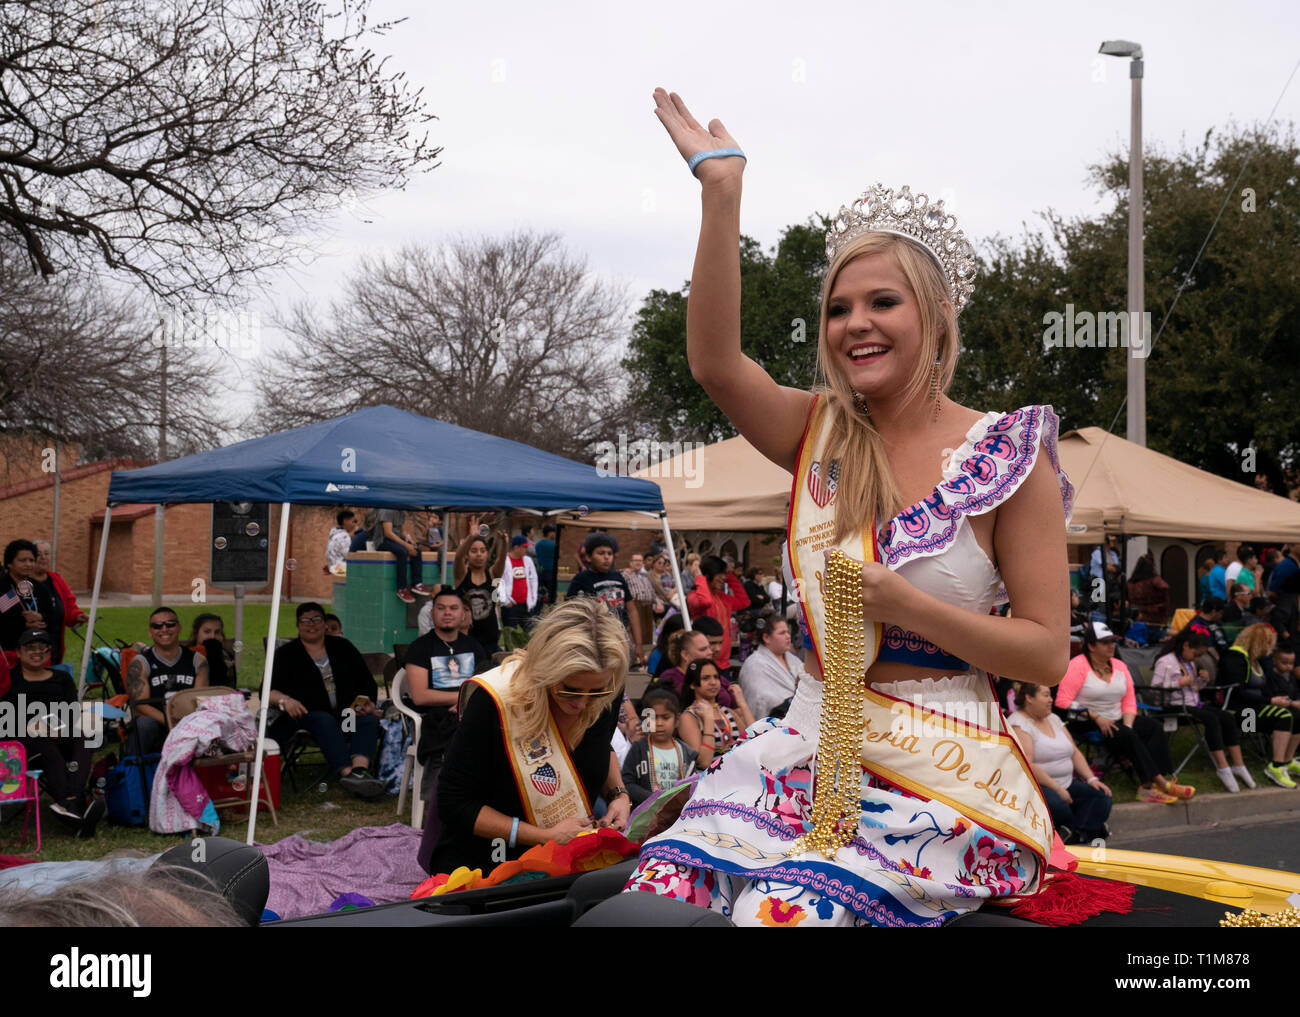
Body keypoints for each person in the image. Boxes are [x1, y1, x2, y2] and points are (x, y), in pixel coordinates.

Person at [628, 93, 1074, 926]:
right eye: (838, 308)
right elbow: (717, 363)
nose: (855, 325)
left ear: (936, 318)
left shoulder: (1009, 453)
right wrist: (720, 194)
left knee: (783, 914)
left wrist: (910, 606)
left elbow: (1047, 654)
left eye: (881, 303)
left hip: (938, 763)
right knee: (663, 897)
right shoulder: (817, 431)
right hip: (805, 740)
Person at [430, 598, 631, 874]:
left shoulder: (605, 688)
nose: (583, 704)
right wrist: (543, 837)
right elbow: (454, 803)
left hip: (569, 860)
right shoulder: (496, 702)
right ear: (545, 671)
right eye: (570, 689)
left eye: (595, 692)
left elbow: (599, 745)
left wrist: (618, 794)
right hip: (487, 863)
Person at [1055, 622, 1191, 804]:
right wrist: (1095, 716)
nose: (1112, 646)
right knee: (1127, 734)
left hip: (1117, 718)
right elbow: (1062, 702)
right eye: (1105, 642)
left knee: (1153, 727)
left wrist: (1128, 724)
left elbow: (1129, 700)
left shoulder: (1119, 665)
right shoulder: (1077, 665)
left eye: (1112, 641)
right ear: (1091, 646)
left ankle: (1161, 778)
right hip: (1086, 720)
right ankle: (1154, 785)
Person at [267, 602, 383, 799]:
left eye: (316, 619)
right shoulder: (286, 654)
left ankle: (359, 772)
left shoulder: (342, 647)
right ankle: (346, 773)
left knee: (367, 720)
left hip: (345, 715)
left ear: (324, 623)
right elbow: (267, 691)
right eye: (305, 620)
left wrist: (363, 703)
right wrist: (286, 701)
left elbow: (367, 684)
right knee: (323, 719)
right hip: (305, 717)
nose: (311, 624)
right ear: (298, 625)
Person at [1, 629, 105, 836]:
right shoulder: (9, 680)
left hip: (58, 734)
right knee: (41, 740)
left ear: (49, 653)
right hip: (21, 745)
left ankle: (71, 803)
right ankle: (71, 803)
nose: (37, 652)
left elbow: (72, 711)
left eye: (43, 648)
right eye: (30, 648)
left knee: (84, 738)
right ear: (19, 653)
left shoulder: (62, 678)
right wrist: (33, 727)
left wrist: (58, 729)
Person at [403, 588, 490, 796]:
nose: (447, 613)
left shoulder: (474, 647)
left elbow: (486, 685)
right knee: (450, 729)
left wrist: (465, 704)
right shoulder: (420, 648)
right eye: (441, 608)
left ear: (463, 614)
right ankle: (438, 802)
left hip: (469, 712)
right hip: (433, 717)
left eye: (453, 608)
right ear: (432, 614)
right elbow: (420, 696)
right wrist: (462, 699)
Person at [1006, 683, 1111, 844]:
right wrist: (1058, 789)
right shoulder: (1019, 723)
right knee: (1058, 805)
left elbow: (1074, 751)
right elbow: (1027, 764)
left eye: (1050, 695)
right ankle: (1090, 829)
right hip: (1038, 786)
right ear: (1029, 698)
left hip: (1066, 782)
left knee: (1101, 796)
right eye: (1046, 695)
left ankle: (1075, 834)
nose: (1051, 700)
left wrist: (1092, 779)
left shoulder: (1053, 718)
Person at [1151, 626, 1253, 792]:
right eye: (1196, 654)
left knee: (1226, 717)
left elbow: (1193, 689)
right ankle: (1222, 767)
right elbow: (1155, 688)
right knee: (1211, 719)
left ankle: (1238, 764)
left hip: (1191, 703)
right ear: (1185, 646)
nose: (1197, 658)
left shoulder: (1188, 662)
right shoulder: (1166, 661)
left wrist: (1201, 681)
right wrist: (1178, 683)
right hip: (1171, 706)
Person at [125, 607, 209, 755]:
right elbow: (140, 705)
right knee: (143, 725)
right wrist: (171, 722)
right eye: (157, 626)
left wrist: (186, 725)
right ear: (150, 632)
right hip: (156, 723)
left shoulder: (198, 661)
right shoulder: (141, 662)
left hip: (190, 724)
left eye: (170, 624)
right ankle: (135, 772)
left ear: (179, 628)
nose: (164, 629)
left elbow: (200, 701)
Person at [1217, 623, 1287, 786]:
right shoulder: (1234, 658)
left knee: (1294, 714)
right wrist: (1270, 701)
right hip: (1241, 709)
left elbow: (1265, 687)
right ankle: (1276, 764)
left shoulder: (1256, 660)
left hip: (1256, 705)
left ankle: (1287, 760)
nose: (1271, 649)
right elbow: (1239, 692)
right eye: (1269, 644)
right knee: (1284, 716)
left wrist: (1281, 699)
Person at [567, 532, 644, 666]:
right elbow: (571, 612)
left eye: (610, 553)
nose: (606, 557)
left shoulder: (618, 577)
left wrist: (638, 644)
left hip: (621, 639)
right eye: (601, 553)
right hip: (597, 641)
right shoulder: (581, 579)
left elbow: (632, 611)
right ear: (589, 557)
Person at [621, 687, 698, 805]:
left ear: (677, 720)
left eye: (666, 717)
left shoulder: (687, 752)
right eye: (653, 717)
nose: (659, 723)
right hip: (645, 815)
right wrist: (651, 798)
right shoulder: (638, 749)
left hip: (677, 814)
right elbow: (627, 783)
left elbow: (693, 785)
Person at [686, 555, 750, 676]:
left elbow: (744, 601)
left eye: (724, 574)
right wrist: (699, 577)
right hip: (704, 663)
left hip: (724, 664)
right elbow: (706, 601)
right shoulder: (694, 596)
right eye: (720, 573)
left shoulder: (722, 598)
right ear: (708, 574)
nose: (723, 578)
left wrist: (730, 577)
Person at [454, 519, 508, 655]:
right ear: (468, 554)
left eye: (483, 551)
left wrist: (504, 544)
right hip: (467, 639)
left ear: (487, 554)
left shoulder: (492, 574)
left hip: (490, 640)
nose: (479, 554)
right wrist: (471, 537)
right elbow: (458, 557)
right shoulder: (462, 575)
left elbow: (501, 561)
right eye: (474, 551)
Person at [1, 539, 57, 668]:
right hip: (7, 655)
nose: (28, 564)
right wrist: (24, 624)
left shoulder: (39, 588)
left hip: (37, 654)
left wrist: (41, 618)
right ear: (9, 563)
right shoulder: (3, 588)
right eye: (22, 560)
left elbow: (53, 617)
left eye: (31, 560)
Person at [654, 625, 741, 709]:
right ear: (685, 655)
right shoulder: (671, 677)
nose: (710, 652)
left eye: (709, 647)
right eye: (703, 649)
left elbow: (738, 704)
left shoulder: (715, 675)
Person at [29, 540, 86, 667]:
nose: (43, 557)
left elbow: (69, 607)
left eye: (47, 554)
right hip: (32, 648)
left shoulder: (56, 580)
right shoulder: (23, 583)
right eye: (38, 554)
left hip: (55, 646)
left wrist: (77, 616)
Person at [738, 616, 807, 720]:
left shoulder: (794, 659)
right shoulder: (754, 664)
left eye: (788, 632)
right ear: (766, 638)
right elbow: (761, 697)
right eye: (782, 633)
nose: (788, 636)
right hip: (774, 721)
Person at [1259, 643, 1300, 787]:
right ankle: (1277, 764)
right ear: (1274, 661)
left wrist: (1296, 702)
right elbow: (1273, 697)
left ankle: (1288, 760)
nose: (1288, 666)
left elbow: (1295, 694)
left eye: (1291, 663)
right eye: (1284, 663)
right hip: (1258, 712)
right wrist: (1292, 703)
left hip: (1291, 707)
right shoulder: (1270, 676)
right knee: (1290, 716)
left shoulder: (1291, 677)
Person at [374, 507, 434, 604]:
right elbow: (388, 533)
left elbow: (401, 531)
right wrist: (406, 546)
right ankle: (401, 588)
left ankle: (417, 584)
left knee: (416, 550)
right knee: (402, 552)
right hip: (383, 541)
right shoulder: (387, 509)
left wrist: (409, 539)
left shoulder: (400, 511)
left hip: (395, 541)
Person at [497, 535, 539, 630]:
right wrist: (505, 601)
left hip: (526, 604)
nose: (526, 549)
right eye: (524, 547)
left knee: (530, 633)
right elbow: (498, 580)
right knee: (510, 634)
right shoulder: (503, 560)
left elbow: (534, 579)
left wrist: (533, 598)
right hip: (511, 605)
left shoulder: (528, 560)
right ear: (516, 547)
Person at [185, 613, 236, 687]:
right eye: (207, 632)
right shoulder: (186, 656)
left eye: (217, 632)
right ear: (196, 633)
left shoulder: (226, 656)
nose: (212, 636)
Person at [535, 524, 558, 605]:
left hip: (540, 571)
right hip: (551, 571)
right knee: (552, 595)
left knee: (540, 594)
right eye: (554, 532)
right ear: (550, 533)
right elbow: (559, 556)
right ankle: (552, 610)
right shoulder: (553, 545)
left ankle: (537, 612)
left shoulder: (537, 544)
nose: (554, 534)